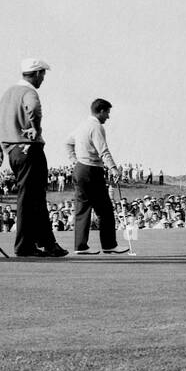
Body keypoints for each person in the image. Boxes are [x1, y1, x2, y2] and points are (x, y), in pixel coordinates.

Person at [0, 58, 67, 258]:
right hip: (29, 149)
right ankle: (25, 246)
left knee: (34, 198)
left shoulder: (8, 93)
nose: (43, 78)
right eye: (42, 74)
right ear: (36, 74)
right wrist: (36, 128)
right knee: (29, 198)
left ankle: (47, 243)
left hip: (13, 151)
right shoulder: (29, 92)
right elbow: (33, 108)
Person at [65, 98, 129, 254]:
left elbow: (67, 142)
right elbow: (103, 150)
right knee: (105, 210)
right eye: (107, 112)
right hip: (92, 170)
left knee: (82, 209)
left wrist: (74, 160)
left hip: (80, 170)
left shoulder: (82, 125)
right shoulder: (96, 126)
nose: (108, 116)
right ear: (100, 111)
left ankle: (80, 246)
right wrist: (114, 168)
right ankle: (109, 245)